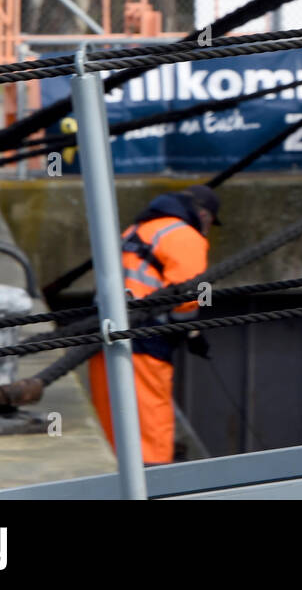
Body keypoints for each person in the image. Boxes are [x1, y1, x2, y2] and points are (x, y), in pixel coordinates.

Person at [88, 184, 219, 464]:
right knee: (151, 427)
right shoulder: (184, 236)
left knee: (112, 423)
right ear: (204, 216)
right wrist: (189, 331)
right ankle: (153, 485)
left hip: (103, 331)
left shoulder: (137, 229)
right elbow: (188, 295)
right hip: (145, 340)